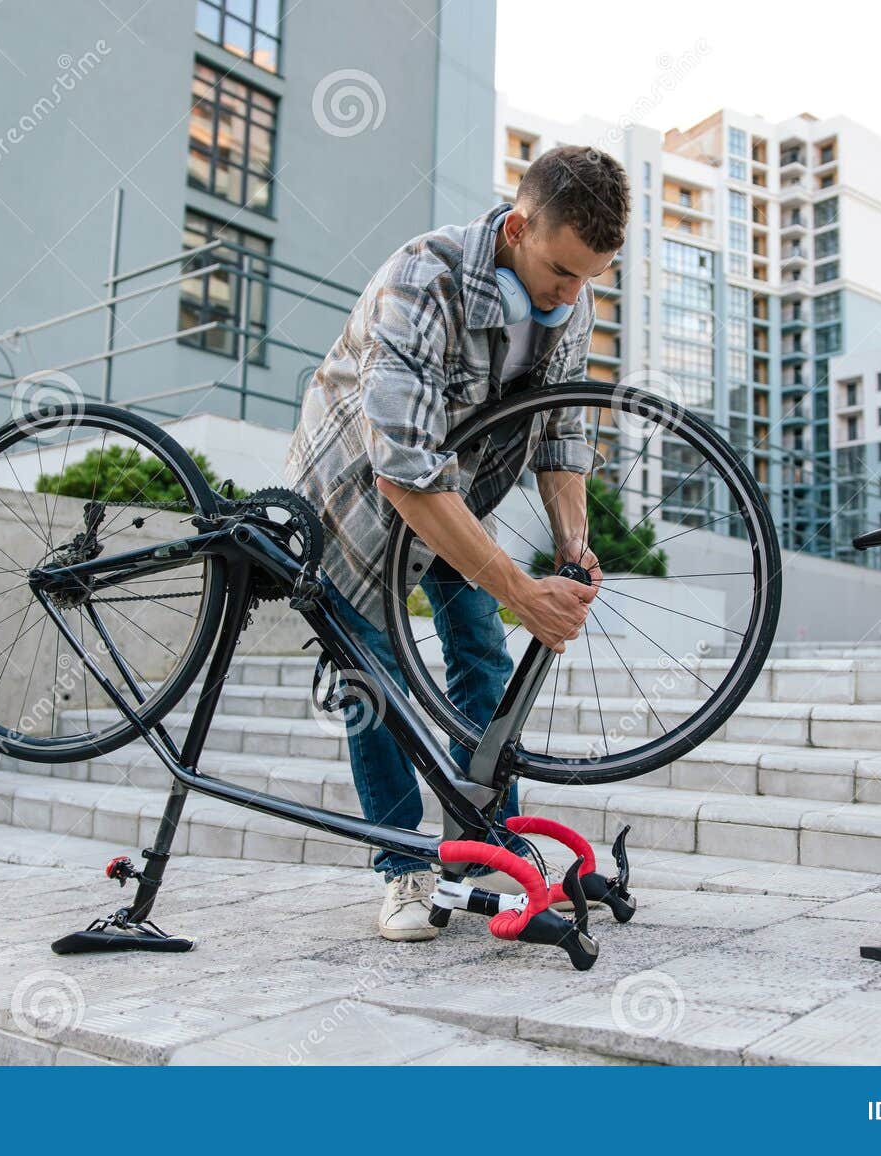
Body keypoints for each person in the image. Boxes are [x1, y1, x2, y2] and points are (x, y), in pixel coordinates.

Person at [284, 145, 631, 940]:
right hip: (356, 496)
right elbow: (404, 473)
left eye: (591, 278)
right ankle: (403, 867)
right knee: (372, 677)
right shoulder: (422, 279)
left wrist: (571, 547)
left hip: (461, 493)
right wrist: (519, 587)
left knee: (479, 650)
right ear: (517, 229)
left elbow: (562, 435)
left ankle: (485, 850)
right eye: (561, 272)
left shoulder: (569, 304)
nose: (572, 294)